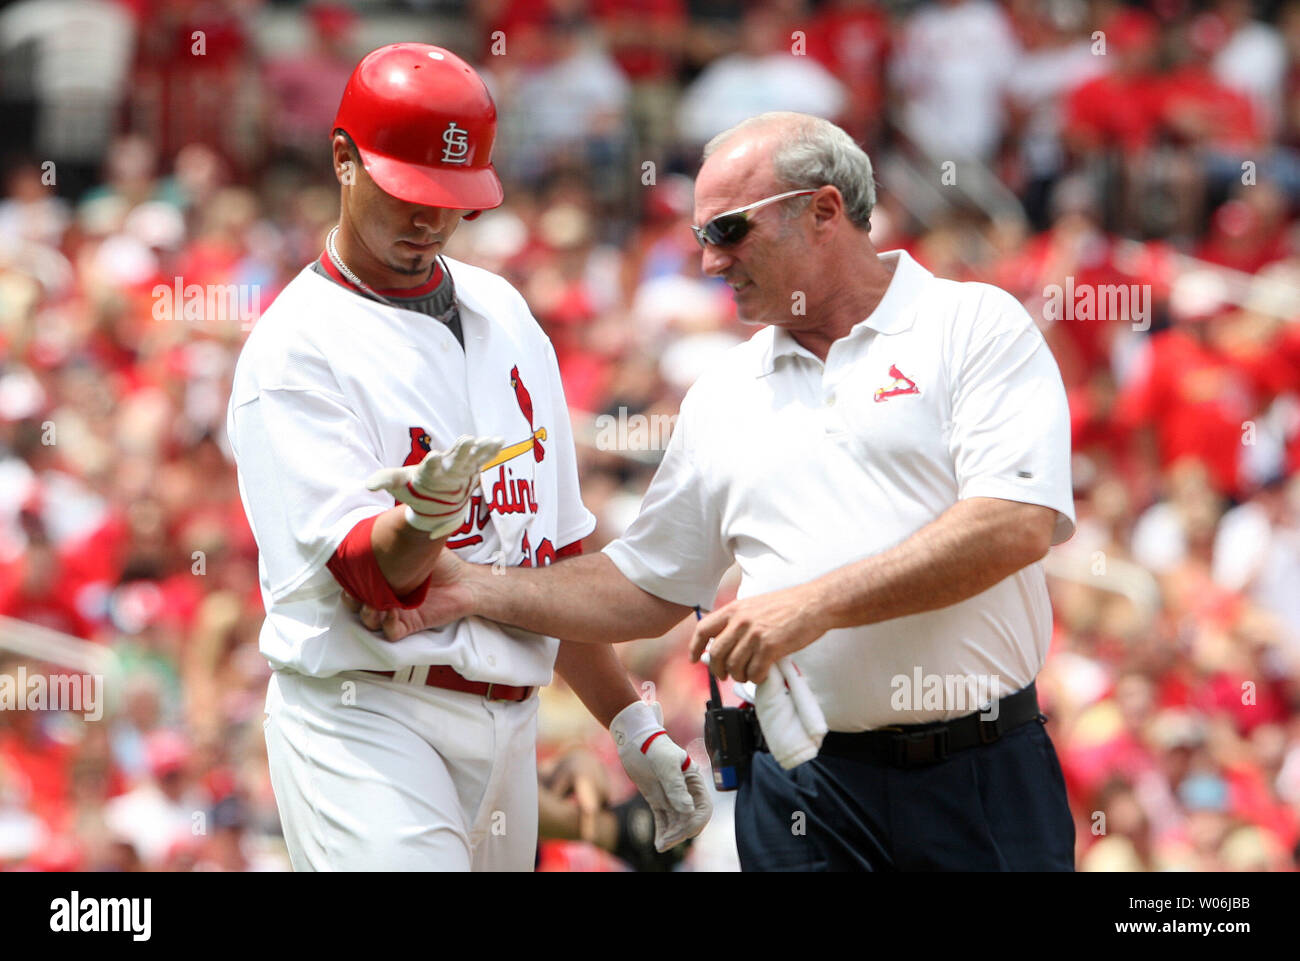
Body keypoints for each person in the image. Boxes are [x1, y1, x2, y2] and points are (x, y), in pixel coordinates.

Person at [360, 111, 1078, 871]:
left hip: (980, 775)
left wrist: (809, 605)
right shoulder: (724, 393)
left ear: (823, 211)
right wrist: (470, 588)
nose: (708, 261)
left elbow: (1014, 523)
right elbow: (644, 585)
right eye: (702, 234)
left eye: (729, 230)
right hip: (805, 794)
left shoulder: (971, 326)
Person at [225, 42, 710, 872]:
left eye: (451, 199)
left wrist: (631, 723)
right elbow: (376, 581)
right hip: (370, 720)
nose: (430, 218)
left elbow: (553, 561)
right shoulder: (296, 347)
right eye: (408, 190)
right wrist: (423, 522)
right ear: (343, 159)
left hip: (511, 726)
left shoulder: (506, 311)